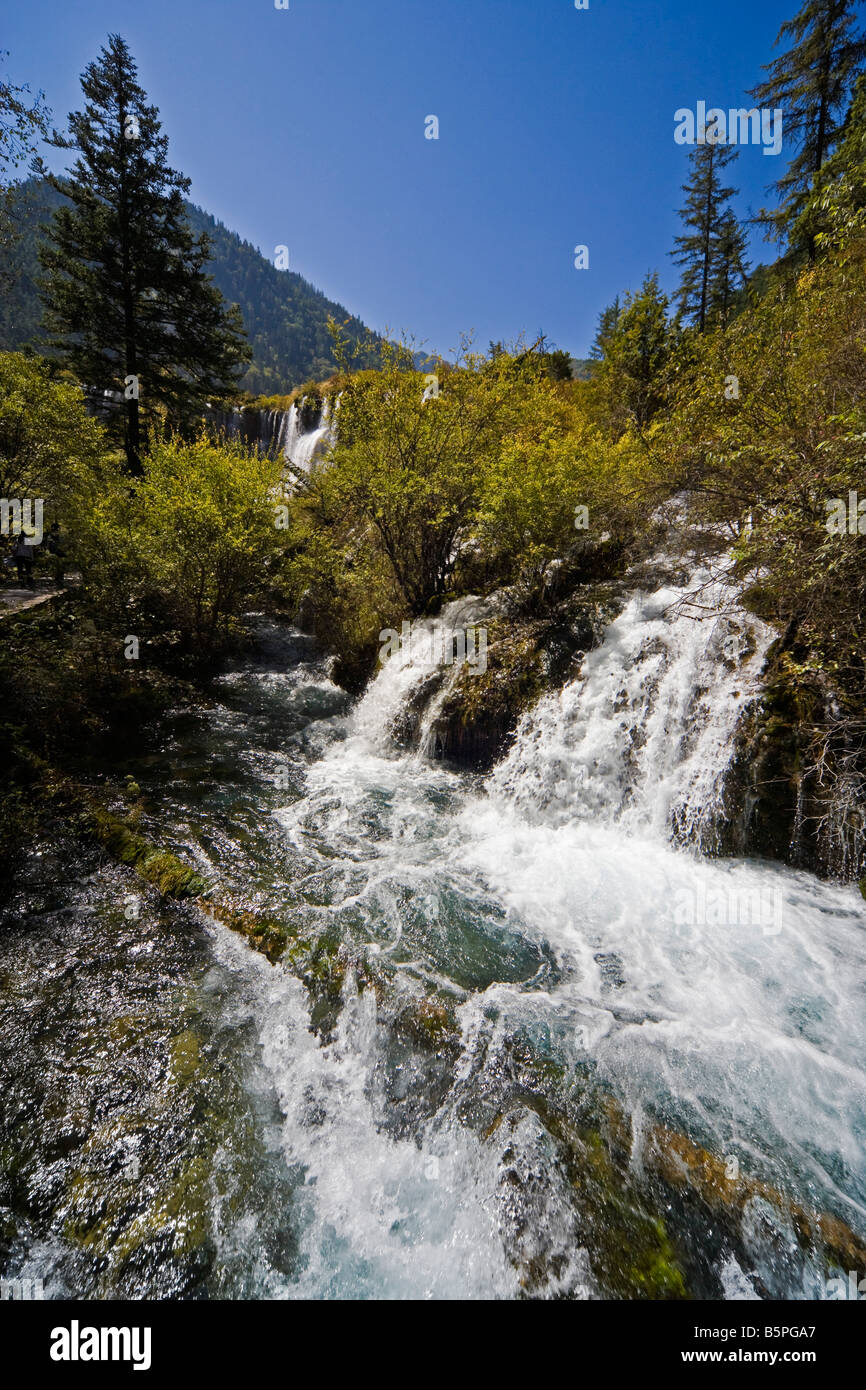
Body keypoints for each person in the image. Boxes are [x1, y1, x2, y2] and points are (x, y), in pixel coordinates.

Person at [45, 520, 67, 587]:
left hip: (57, 552)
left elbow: (48, 545)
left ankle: (59, 579)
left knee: (58, 566)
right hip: (58, 552)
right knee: (59, 566)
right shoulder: (58, 535)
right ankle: (59, 579)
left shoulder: (52, 535)